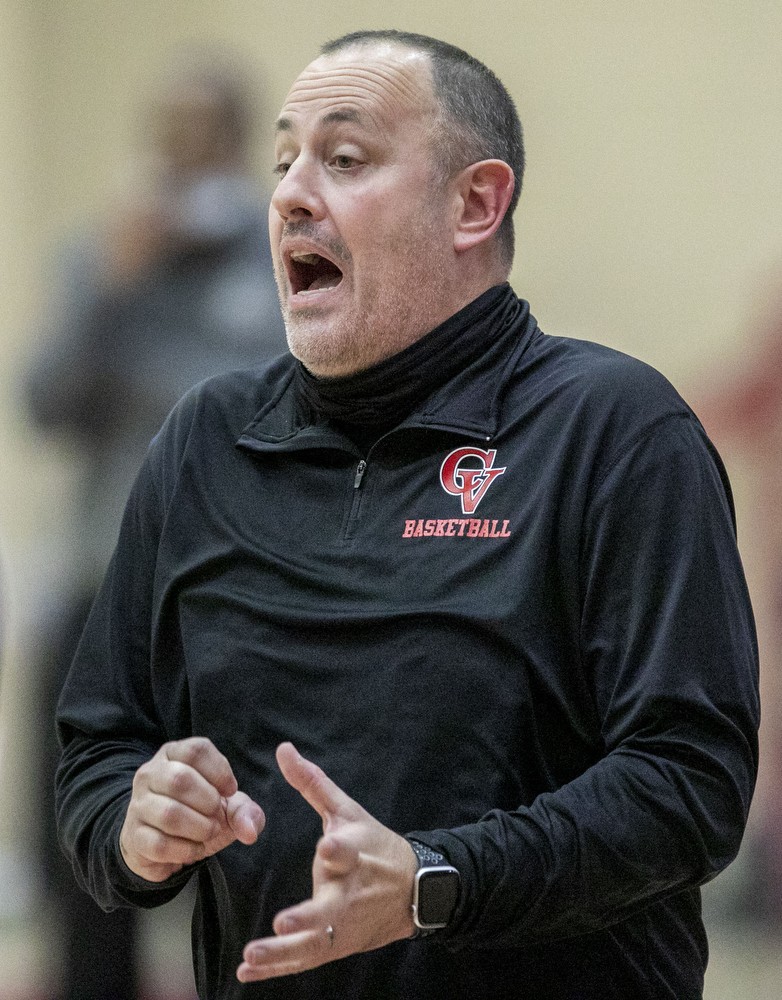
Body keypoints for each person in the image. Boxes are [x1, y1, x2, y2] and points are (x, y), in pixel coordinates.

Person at [55, 30, 760, 1000]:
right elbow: (97, 749)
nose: (292, 193)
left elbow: (690, 783)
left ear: (473, 203)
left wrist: (439, 879)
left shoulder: (614, 429)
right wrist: (136, 822)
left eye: (343, 159)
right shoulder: (204, 440)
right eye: (282, 161)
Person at [27, 53, 286, 1000]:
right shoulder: (106, 257)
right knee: (86, 856)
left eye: (200, 129)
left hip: (236, 601)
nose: (181, 150)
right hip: (103, 593)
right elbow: (44, 402)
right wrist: (112, 283)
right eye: (166, 129)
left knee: (247, 850)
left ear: (233, 141)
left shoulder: (275, 257)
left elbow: (267, 408)